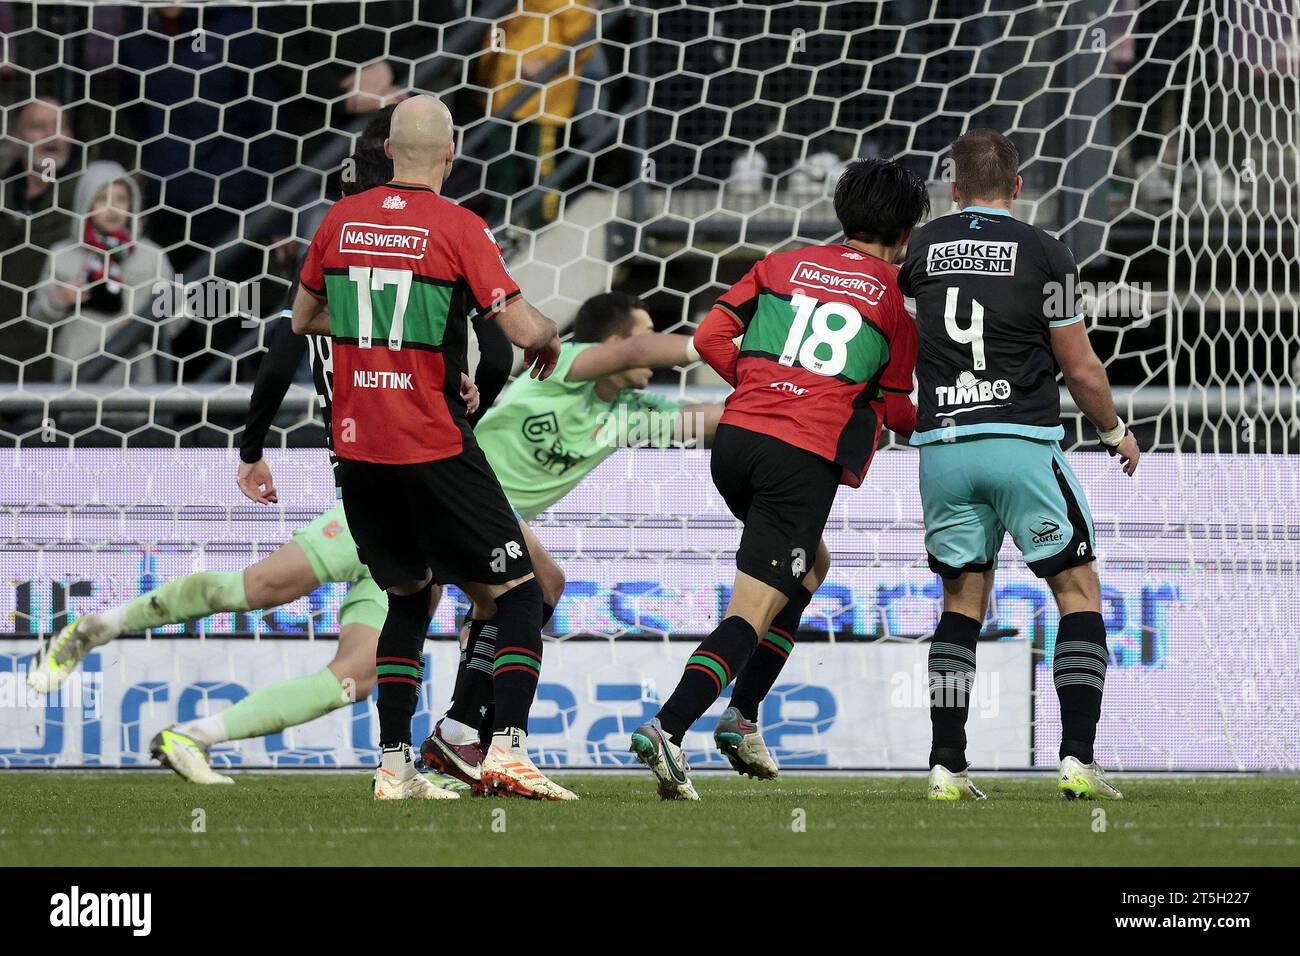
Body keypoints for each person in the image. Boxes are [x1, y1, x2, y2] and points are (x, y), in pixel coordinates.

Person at [25, 129, 475, 792]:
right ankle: (99, 626)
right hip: (387, 487)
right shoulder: (370, 267)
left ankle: (199, 738)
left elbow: (295, 345)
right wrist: (253, 445)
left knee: (358, 672)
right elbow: (289, 345)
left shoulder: (366, 261)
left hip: (420, 489)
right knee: (260, 589)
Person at [291, 94, 571, 801]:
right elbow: (518, 325)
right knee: (520, 592)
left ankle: (393, 768)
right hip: (433, 444)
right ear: (451, 154)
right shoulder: (458, 226)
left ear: (386, 150)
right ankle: (505, 749)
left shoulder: (338, 220)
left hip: (358, 450)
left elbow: (304, 317)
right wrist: (546, 336)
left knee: (408, 595)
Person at [628, 158, 930, 799]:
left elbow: (710, 337)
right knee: (751, 610)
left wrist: (768, 389)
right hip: (799, 458)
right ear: (905, 234)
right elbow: (901, 410)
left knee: (808, 568)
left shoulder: (781, 264)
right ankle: (669, 727)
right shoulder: (894, 306)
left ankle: (743, 717)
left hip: (735, 444)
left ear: (841, 213)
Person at [897, 129, 1140, 801]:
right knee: (1078, 591)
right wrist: (1114, 430)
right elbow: (1081, 366)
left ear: (951, 188)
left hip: (943, 448)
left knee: (960, 605)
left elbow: (901, 336)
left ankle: (947, 764)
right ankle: (1078, 759)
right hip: (1020, 442)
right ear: (1018, 186)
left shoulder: (917, 250)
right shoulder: (1046, 251)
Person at [420, 291, 725, 788]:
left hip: (486, 513)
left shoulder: (628, 412)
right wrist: (710, 344)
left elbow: (700, 419)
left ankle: (460, 738)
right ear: (609, 341)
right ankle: (467, 735)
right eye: (644, 332)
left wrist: (778, 396)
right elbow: (634, 354)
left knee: (520, 599)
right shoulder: (563, 365)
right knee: (539, 587)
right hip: (461, 484)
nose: (651, 348)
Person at [30, 161, 176, 383]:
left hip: (135, 382)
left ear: (132, 204)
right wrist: (59, 299)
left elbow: (177, 311)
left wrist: (144, 326)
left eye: (120, 199)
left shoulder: (152, 256)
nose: (112, 208)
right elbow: (36, 319)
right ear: (85, 203)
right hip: (76, 378)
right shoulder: (62, 255)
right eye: (102, 198)